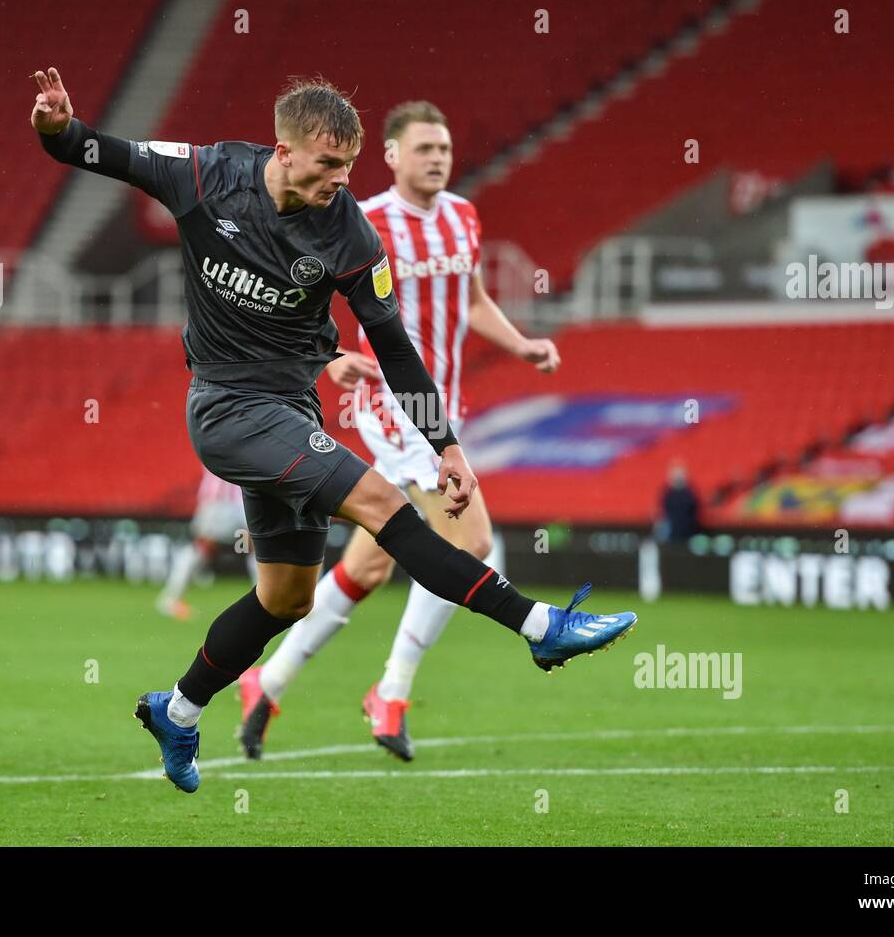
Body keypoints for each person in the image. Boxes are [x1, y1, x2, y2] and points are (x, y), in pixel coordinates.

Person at [32, 68, 638, 793]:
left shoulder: (349, 229)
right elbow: (101, 151)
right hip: (225, 408)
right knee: (385, 505)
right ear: (283, 150)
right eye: (326, 165)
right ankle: (540, 627)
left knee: (287, 598)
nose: (338, 181)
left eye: (347, 168)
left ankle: (180, 710)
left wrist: (445, 444)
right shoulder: (206, 172)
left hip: (292, 413)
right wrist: (57, 128)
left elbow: (395, 346)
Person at [239, 101, 563, 762]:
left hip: (442, 410)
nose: (437, 158)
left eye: (444, 148)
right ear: (390, 156)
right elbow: (300, 296)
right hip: (388, 403)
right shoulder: (365, 220)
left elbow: (470, 301)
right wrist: (330, 358)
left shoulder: (465, 217)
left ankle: (265, 680)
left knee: (372, 559)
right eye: (423, 149)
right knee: (471, 539)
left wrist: (522, 343)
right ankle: (391, 690)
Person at [156, 470, 256, 620]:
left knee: (254, 546)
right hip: (220, 501)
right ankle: (171, 597)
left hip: (237, 501)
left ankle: (262, 599)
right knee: (204, 546)